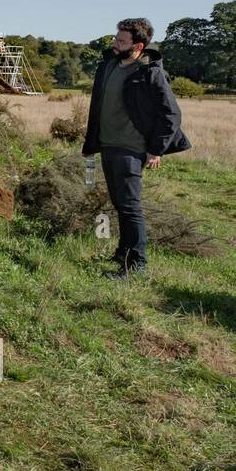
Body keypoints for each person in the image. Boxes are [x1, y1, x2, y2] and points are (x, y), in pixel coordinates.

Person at [83, 17, 191, 278]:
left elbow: (171, 115)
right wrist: (91, 142)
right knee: (120, 203)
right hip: (108, 144)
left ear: (139, 46)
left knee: (130, 206)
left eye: (122, 41)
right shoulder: (109, 64)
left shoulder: (150, 72)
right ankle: (124, 252)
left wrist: (156, 149)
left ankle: (136, 265)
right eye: (116, 38)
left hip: (131, 148)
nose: (115, 44)